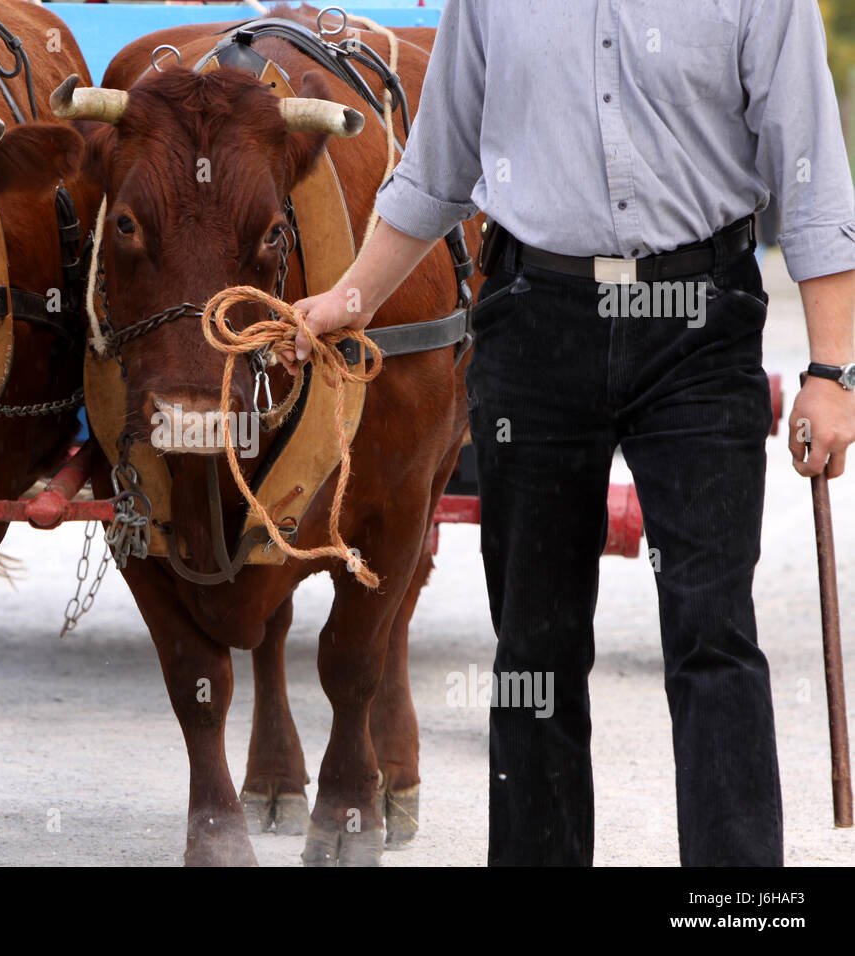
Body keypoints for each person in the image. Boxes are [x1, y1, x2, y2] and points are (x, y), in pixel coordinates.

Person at [289, 0, 855, 866]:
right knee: (534, 647)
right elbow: (438, 169)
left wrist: (832, 369)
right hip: (535, 320)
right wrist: (348, 300)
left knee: (713, 633)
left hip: (702, 324)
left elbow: (812, 174)